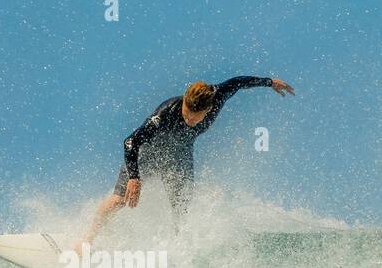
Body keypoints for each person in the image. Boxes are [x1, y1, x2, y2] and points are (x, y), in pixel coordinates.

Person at [79, 75, 295, 246]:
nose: (189, 119)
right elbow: (130, 141)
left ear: (208, 109)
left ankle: (178, 250)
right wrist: (134, 177)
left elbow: (237, 82)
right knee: (118, 200)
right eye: (187, 113)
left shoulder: (216, 96)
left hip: (179, 158)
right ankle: (88, 240)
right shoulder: (165, 114)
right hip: (147, 155)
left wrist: (269, 82)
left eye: (195, 116)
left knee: (181, 208)